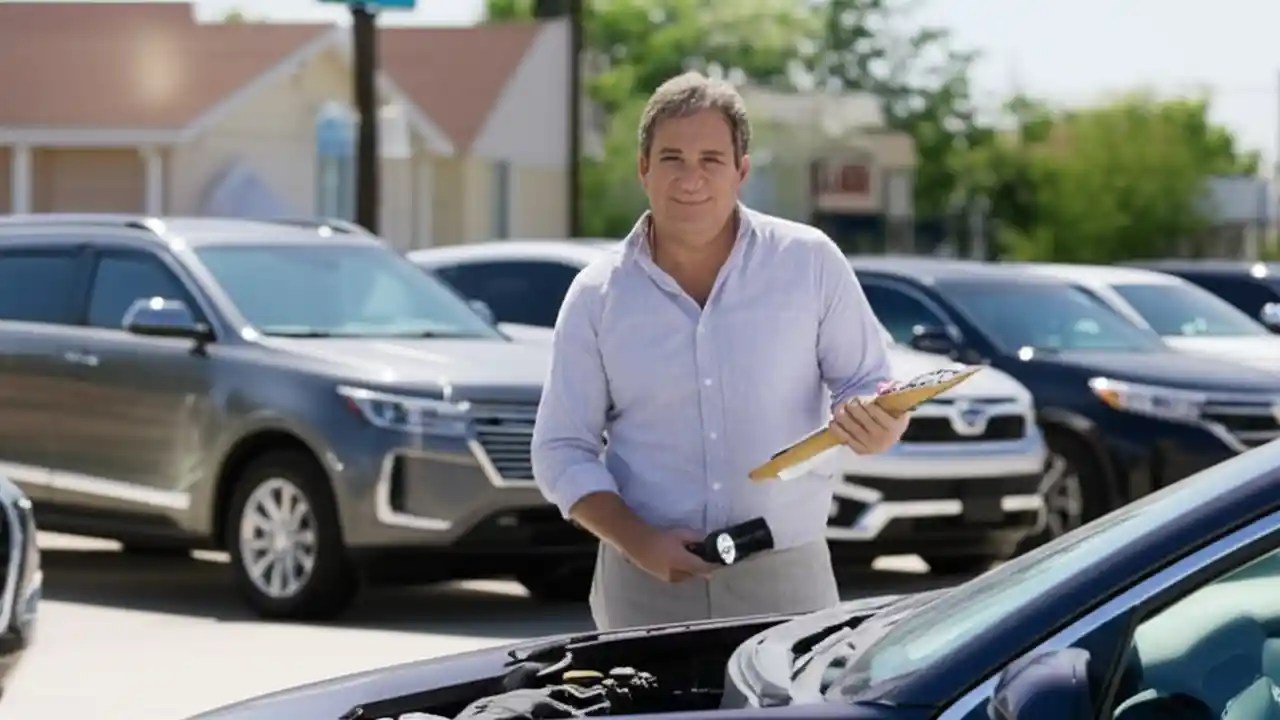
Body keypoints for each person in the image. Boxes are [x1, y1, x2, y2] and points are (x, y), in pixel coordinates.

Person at [530, 70, 909, 631]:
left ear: (741, 172)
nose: (691, 179)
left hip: (788, 578)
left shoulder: (809, 262)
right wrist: (641, 543)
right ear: (643, 170)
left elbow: (867, 384)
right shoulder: (597, 295)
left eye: (711, 159)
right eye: (671, 159)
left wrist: (878, 425)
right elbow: (561, 449)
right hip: (643, 584)